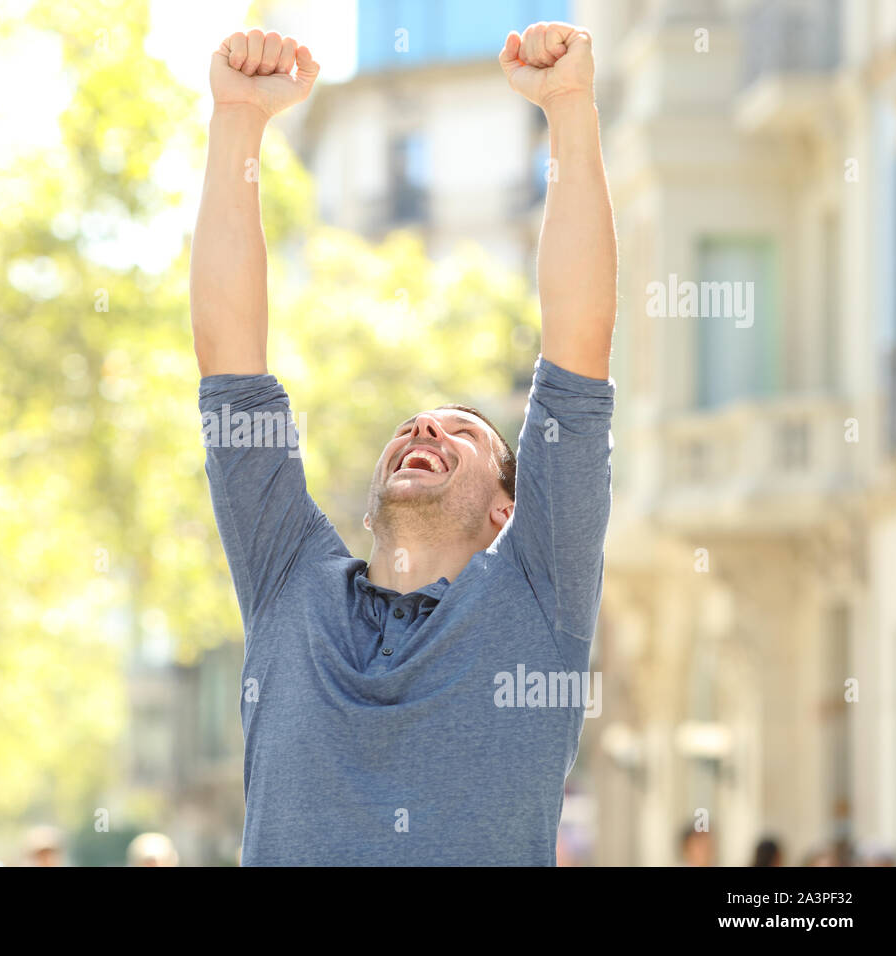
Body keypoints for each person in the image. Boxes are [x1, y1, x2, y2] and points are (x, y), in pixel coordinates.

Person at [191, 22, 616, 865]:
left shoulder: (540, 590)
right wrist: (237, 120)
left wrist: (568, 107)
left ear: (508, 508)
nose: (424, 427)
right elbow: (230, 364)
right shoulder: (289, 578)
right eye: (411, 428)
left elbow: (578, 352)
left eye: (462, 431)